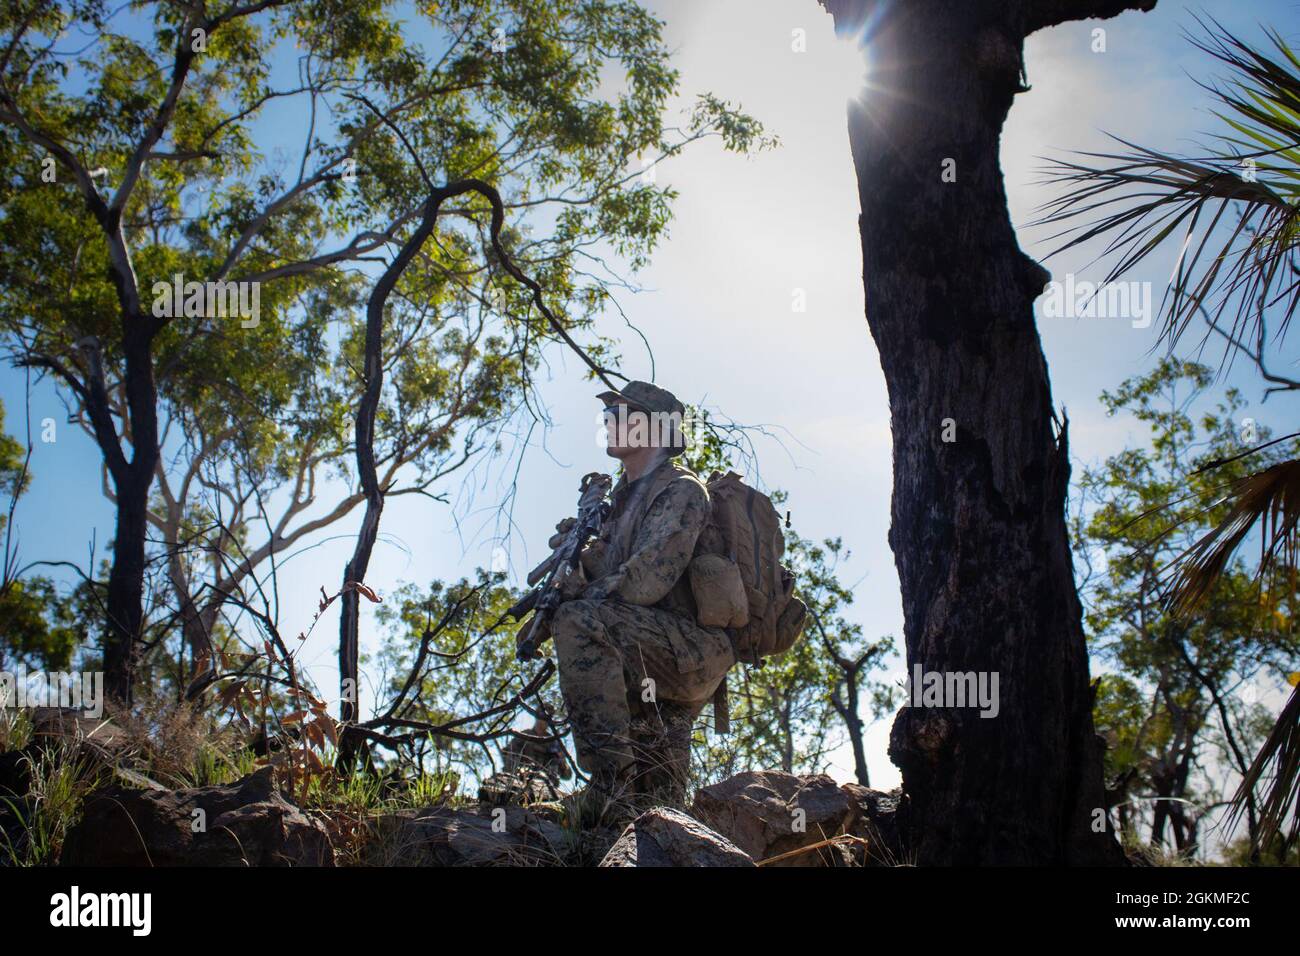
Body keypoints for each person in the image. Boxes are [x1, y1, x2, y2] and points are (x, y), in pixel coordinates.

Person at [530, 381, 734, 825]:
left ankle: (608, 788)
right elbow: (608, 581)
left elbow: (645, 582)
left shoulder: (681, 491)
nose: (609, 424)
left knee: (579, 621)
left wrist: (578, 592)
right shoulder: (616, 507)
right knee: (658, 803)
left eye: (622, 416)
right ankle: (625, 814)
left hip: (688, 651)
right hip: (647, 651)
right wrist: (575, 567)